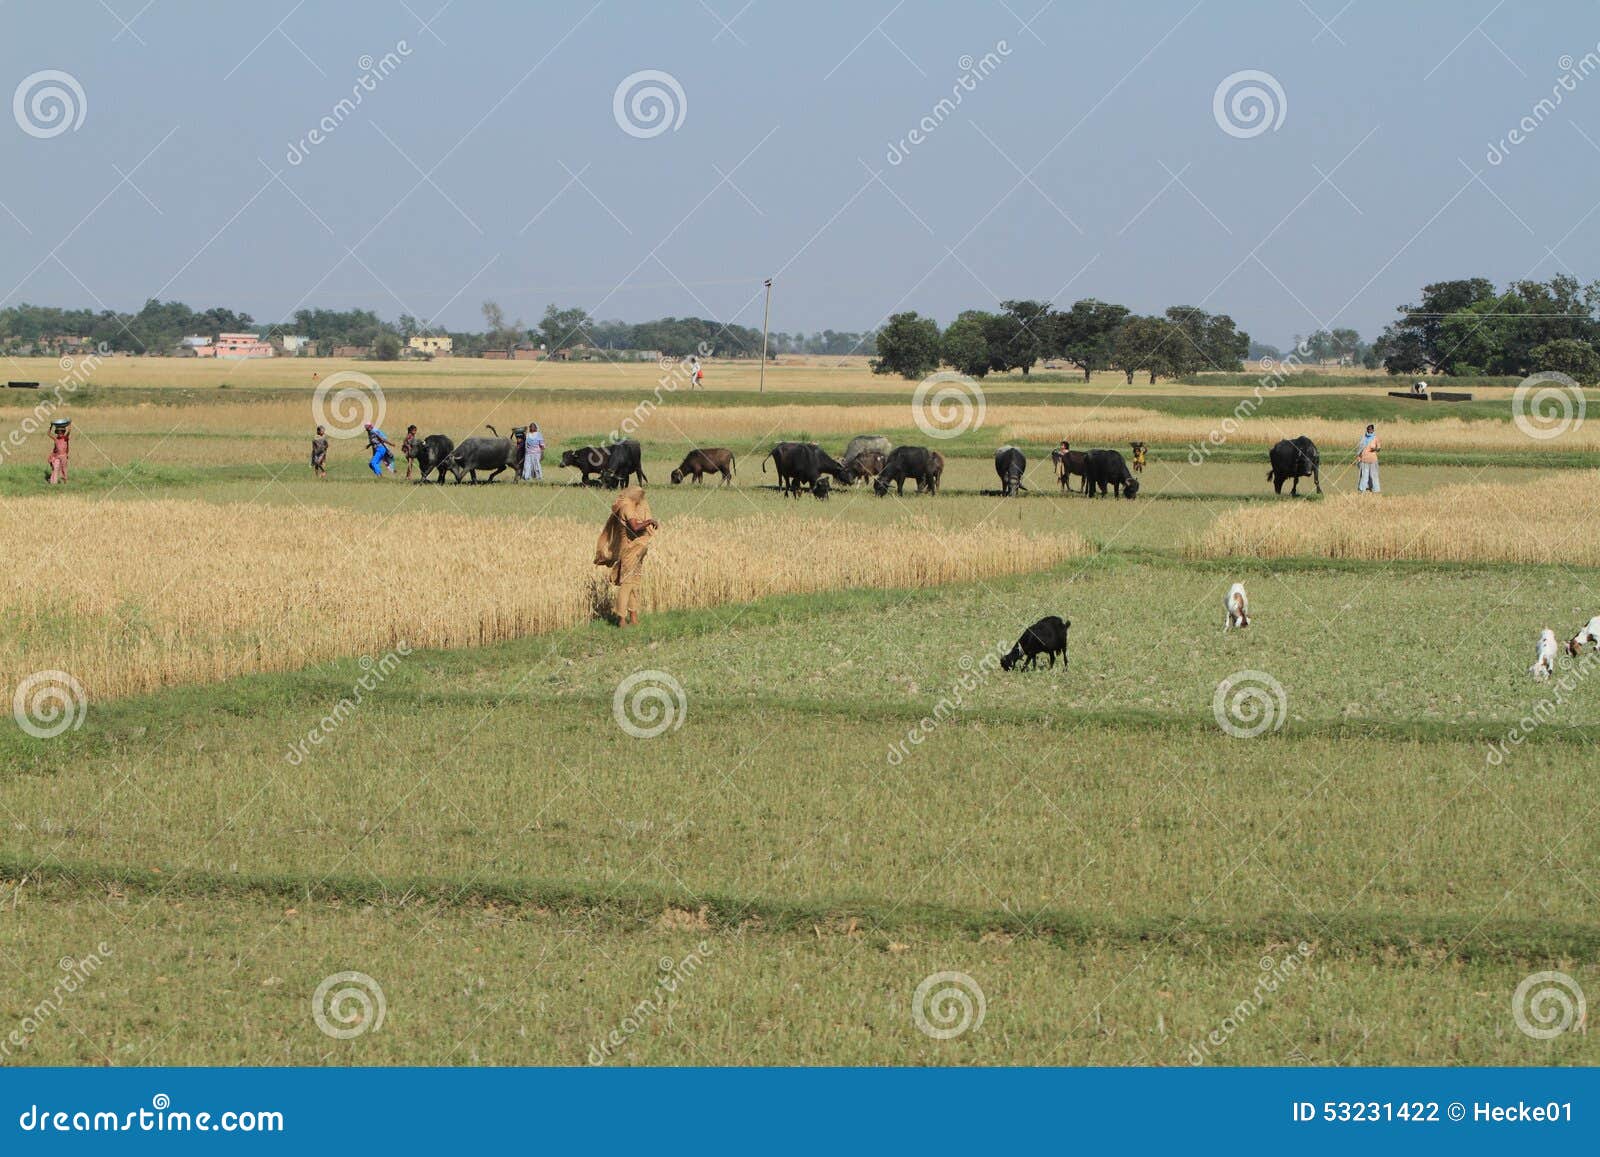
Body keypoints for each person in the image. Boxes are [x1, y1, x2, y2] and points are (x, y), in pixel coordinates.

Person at [594, 487, 658, 627]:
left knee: (634, 584)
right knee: (627, 584)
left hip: (636, 549)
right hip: (629, 549)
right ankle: (621, 619)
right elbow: (634, 527)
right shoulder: (627, 507)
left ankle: (634, 618)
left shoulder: (629, 506)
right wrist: (649, 521)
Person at [1355, 423, 1381, 493]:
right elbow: (1359, 449)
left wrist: (1374, 449)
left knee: (1374, 475)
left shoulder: (1376, 438)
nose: (1369, 430)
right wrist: (1358, 456)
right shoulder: (1363, 438)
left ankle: (1375, 489)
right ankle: (1362, 489)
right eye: (1368, 429)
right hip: (1364, 459)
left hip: (1373, 460)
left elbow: (1379, 448)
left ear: (1373, 430)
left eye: (1371, 429)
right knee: (1364, 475)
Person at [46, 420, 70, 485]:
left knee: (63, 469)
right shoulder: (56, 439)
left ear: (63, 432)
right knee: (55, 468)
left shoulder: (65, 438)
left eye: (61, 432)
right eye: (58, 432)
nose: (60, 434)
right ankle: (53, 482)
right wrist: (51, 426)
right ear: (57, 433)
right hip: (56, 456)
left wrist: (69, 424)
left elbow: (69, 431)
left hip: (63, 456)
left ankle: (65, 482)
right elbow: (48, 433)